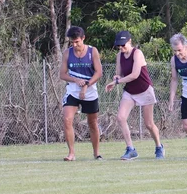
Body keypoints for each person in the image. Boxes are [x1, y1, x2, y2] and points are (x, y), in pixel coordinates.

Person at [105, 31, 164, 160]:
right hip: (130, 91)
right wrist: (116, 78)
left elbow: (135, 75)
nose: (121, 48)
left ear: (129, 41)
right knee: (120, 118)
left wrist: (116, 81)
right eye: (119, 46)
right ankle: (131, 149)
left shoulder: (137, 53)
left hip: (145, 90)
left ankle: (159, 146)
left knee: (149, 124)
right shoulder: (119, 55)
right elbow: (119, 74)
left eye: (123, 45)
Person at [58, 26, 103, 161]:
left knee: (92, 123)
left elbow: (99, 72)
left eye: (77, 41)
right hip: (72, 91)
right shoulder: (67, 53)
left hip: (90, 92)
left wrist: (86, 86)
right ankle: (71, 153)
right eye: (72, 42)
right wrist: (75, 80)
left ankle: (96, 153)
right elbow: (62, 74)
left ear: (83, 38)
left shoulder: (92, 51)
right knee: (67, 120)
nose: (75, 45)